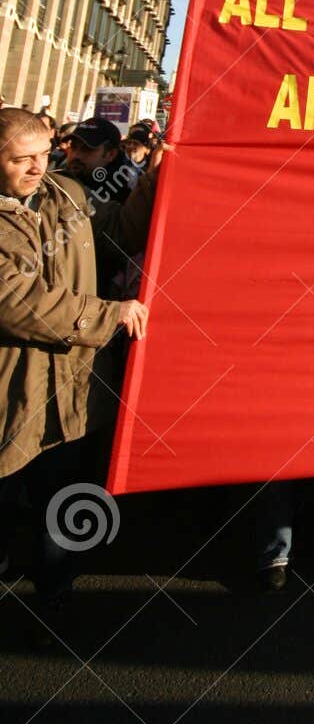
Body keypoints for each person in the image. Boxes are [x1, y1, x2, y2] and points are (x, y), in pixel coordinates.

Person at [0, 109, 161, 637]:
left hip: (72, 385)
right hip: (12, 388)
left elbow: (119, 230)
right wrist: (105, 315)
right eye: (20, 159)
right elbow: (15, 301)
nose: (36, 168)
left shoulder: (66, 195)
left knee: (65, 492)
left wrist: (163, 171)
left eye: (42, 155)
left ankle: (56, 587)